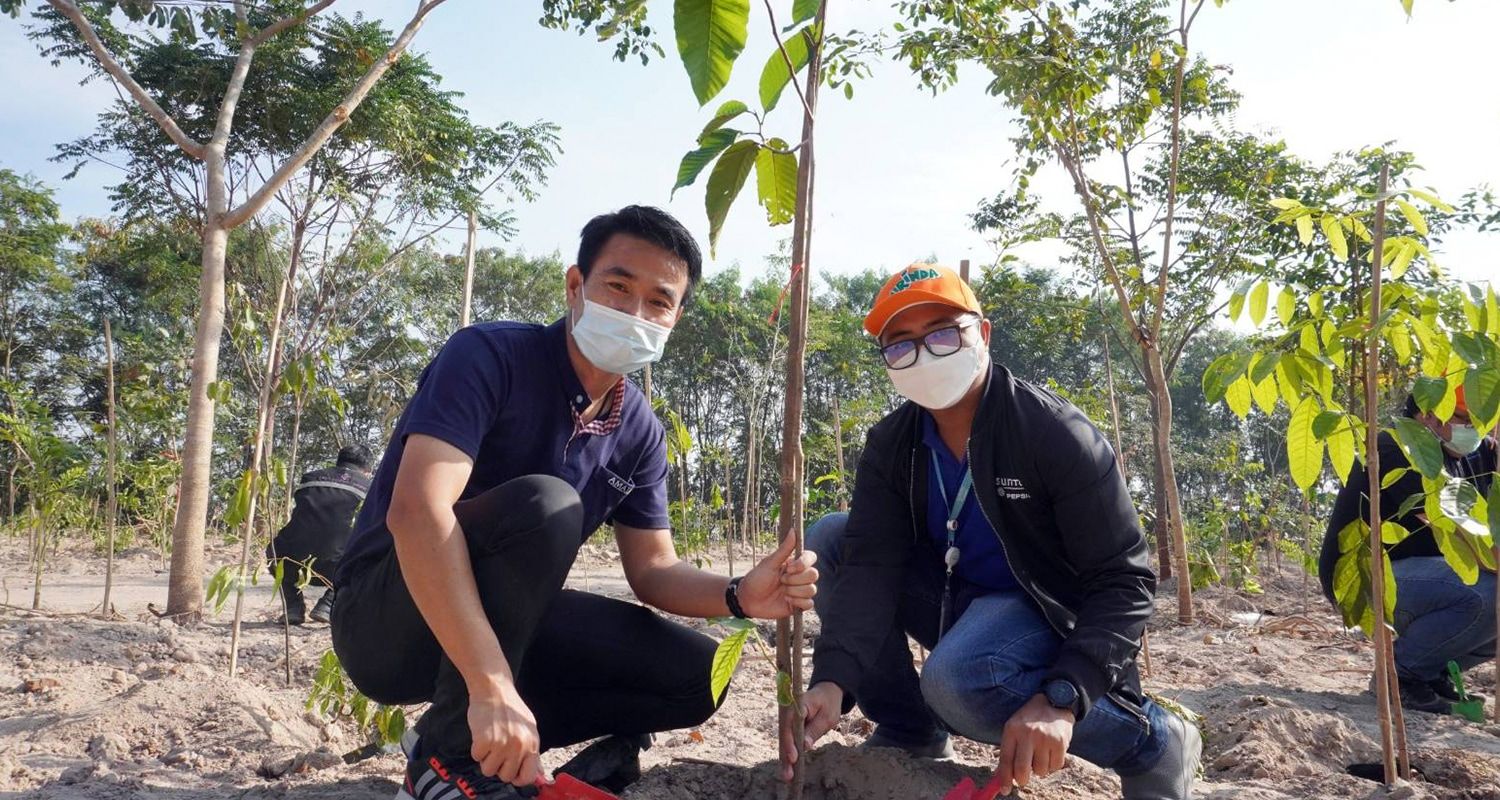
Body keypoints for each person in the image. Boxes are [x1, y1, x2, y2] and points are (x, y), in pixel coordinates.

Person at [330, 206, 818, 800]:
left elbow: (653, 568)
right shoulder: (489, 357)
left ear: (676, 317)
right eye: (618, 286)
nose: (634, 313)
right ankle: (458, 763)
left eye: (658, 301)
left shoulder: (639, 431)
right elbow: (418, 511)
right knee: (548, 505)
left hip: (510, 625)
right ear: (574, 286)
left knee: (696, 678)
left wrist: (740, 593)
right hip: (388, 617)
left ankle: (444, 738)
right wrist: (489, 685)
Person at [781, 264, 1201, 800]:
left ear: (982, 334)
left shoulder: (1053, 433)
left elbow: (1124, 580)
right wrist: (834, 680)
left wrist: (1063, 697)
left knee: (958, 681)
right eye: (901, 344)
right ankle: (910, 732)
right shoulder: (893, 444)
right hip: (955, 603)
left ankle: (1151, 741)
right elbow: (870, 567)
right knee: (834, 540)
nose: (924, 355)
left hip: (1046, 613)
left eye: (941, 334)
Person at [1318, 386, 1497, 713]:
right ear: (1427, 414)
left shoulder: (1465, 457)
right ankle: (1402, 675)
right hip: (1367, 580)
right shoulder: (1399, 445)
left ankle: (1430, 671)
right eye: (1462, 419)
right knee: (1492, 594)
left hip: (1419, 578)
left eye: (1478, 422)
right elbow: (1460, 534)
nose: (1471, 429)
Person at [266, 444, 373, 625]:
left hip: (293, 560)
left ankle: (293, 607)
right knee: (372, 549)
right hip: (339, 567)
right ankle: (328, 603)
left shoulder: (310, 478)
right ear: (367, 470)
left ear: (338, 461)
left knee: (274, 550)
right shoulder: (370, 487)